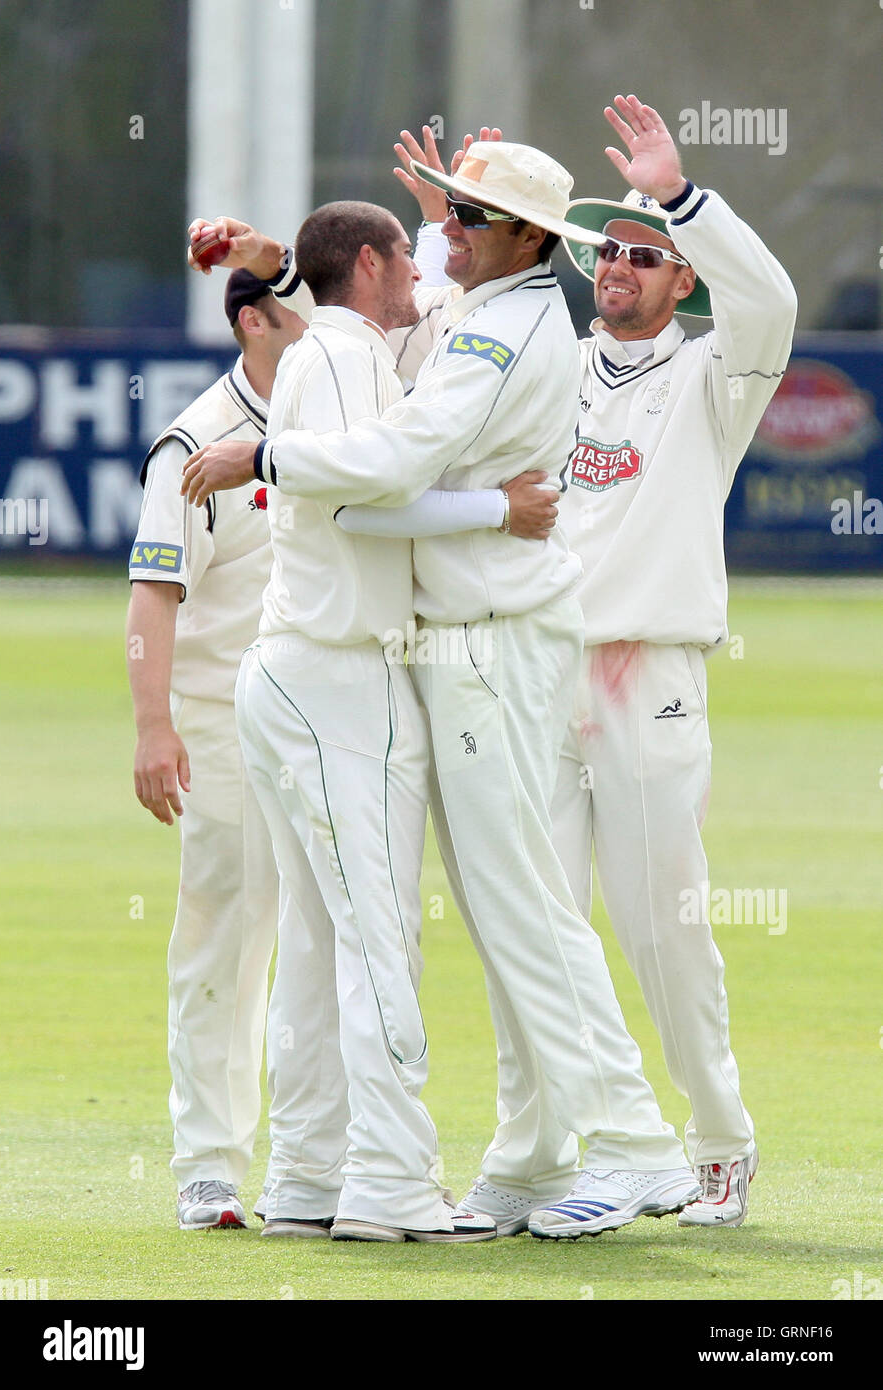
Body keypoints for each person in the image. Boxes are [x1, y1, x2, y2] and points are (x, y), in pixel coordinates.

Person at [181, 138, 703, 1242]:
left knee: (520, 903)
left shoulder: (501, 329)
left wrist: (263, 456)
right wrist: (287, 268)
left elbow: (391, 458)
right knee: (505, 904)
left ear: (525, 241)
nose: (446, 232)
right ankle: (529, 1158)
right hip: (468, 638)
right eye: (448, 213)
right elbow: (380, 314)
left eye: (469, 218)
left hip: (490, 639)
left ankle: (633, 1146)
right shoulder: (496, 310)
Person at [526, 94, 794, 1228]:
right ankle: (557, 1148)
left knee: (659, 924)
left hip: (649, 679)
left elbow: (770, 304)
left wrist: (685, 197)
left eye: (646, 256)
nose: (619, 269)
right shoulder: (547, 364)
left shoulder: (711, 382)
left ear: (683, 279)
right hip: (533, 668)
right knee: (530, 919)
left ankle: (718, 1141)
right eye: (610, 253)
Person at [126, 268, 308, 1230]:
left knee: (339, 941)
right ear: (252, 323)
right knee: (224, 936)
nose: (319, 325)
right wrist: (155, 726)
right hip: (222, 719)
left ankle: (330, 1164)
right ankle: (209, 1165)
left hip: (330, 713)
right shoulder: (191, 443)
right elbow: (154, 593)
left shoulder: (337, 419)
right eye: (294, 312)